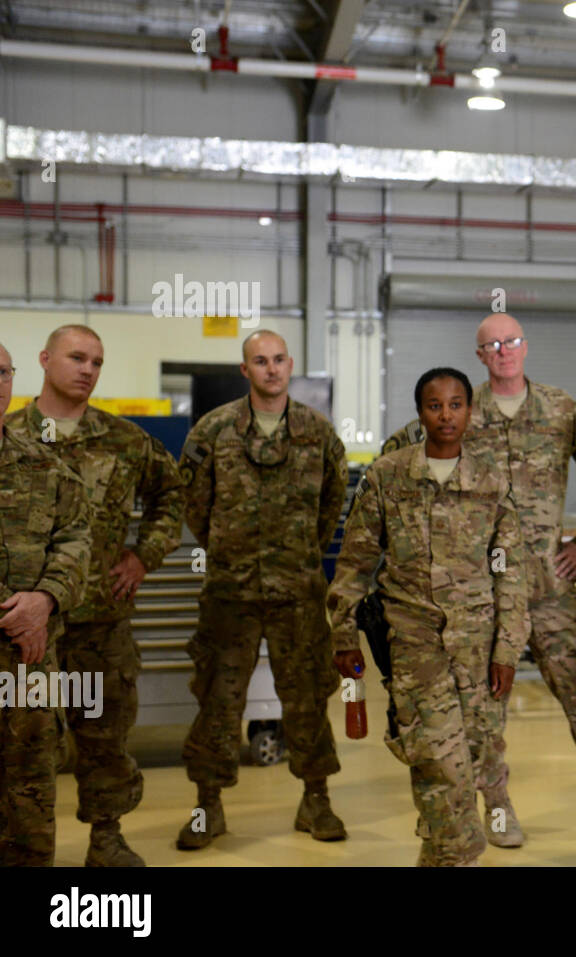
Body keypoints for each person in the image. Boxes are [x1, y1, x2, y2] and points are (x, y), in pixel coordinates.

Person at [380, 313, 576, 853]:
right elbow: (396, 461)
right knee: (484, 707)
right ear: (480, 355)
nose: (503, 351)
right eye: (492, 344)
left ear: (525, 347)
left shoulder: (561, 410)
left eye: (511, 341)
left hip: (547, 583)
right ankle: (496, 806)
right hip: (480, 593)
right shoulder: (459, 410)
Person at [330, 368, 528, 866]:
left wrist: (507, 650)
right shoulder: (387, 476)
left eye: (456, 404)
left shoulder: (490, 482)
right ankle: (459, 855)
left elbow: (509, 573)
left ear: (469, 410)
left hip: (478, 650)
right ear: (420, 413)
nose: (446, 415)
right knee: (441, 762)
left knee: (472, 758)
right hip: (414, 646)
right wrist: (343, 636)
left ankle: (435, 853)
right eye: (435, 405)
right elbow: (355, 561)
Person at [4, 324, 183, 867]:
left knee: (105, 738)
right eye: (77, 357)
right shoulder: (14, 435)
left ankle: (106, 837)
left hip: (98, 623)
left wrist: (142, 555)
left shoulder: (124, 440)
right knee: (25, 751)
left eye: (97, 362)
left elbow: (172, 495)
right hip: (27, 634)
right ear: (44, 360)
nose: (87, 369)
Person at [176, 329, 348, 850]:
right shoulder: (213, 430)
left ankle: (315, 798)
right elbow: (194, 505)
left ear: (289, 364)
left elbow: (332, 506)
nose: (271, 369)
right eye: (260, 361)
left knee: (308, 697)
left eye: (278, 360)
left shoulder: (318, 433)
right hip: (231, 593)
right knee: (217, 701)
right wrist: (232, 552)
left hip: (297, 591)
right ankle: (208, 805)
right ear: (244, 369)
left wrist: (296, 555)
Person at [0, 341, 92, 866]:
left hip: (29, 673)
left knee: (29, 804)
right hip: (21, 642)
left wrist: (46, 600)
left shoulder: (45, 467)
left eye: (2, 373)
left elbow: (78, 540)